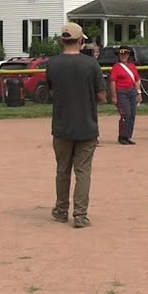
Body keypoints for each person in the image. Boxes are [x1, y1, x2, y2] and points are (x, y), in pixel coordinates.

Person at [46, 23, 106, 229]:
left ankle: (61, 210)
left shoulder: (52, 64)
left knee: (62, 170)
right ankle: (80, 215)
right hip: (86, 125)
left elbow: (52, 92)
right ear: (80, 41)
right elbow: (101, 96)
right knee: (83, 172)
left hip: (62, 125)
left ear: (63, 40)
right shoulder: (91, 64)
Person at [108, 46, 144, 145]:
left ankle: (128, 136)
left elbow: (137, 80)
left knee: (132, 115)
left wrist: (139, 93)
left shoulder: (132, 66)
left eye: (125, 54)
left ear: (129, 55)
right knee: (125, 114)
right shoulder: (116, 67)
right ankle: (122, 136)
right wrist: (114, 96)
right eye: (121, 54)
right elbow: (113, 82)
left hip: (132, 92)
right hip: (122, 92)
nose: (123, 56)